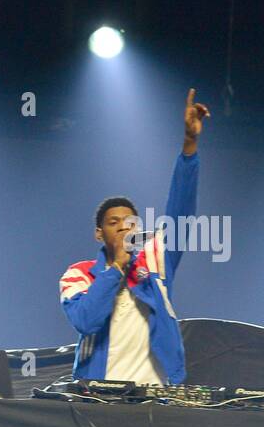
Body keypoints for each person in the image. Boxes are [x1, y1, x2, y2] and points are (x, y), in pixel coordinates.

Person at [59, 88, 210, 385]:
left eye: (130, 222)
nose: (124, 228)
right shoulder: (79, 275)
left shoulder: (155, 259)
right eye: (114, 223)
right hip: (97, 398)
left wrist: (190, 145)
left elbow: (181, 211)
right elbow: (86, 321)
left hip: (155, 396)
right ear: (99, 233)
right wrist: (115, 267)